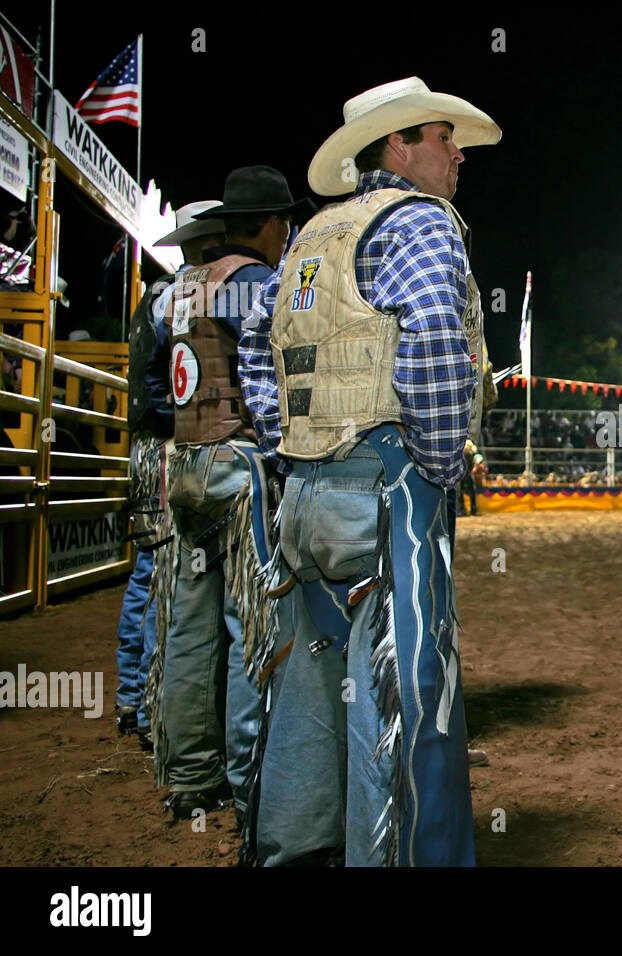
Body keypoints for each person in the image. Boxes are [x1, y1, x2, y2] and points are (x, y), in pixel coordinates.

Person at [239, 77, 500, 867]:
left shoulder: (314, 236)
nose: (456, 151)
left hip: (306, 494)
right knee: (412, 691)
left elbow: (258, 343)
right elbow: (431, 336)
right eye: (441, 136)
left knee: (307, 691)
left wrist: (291, 439)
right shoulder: (421, 224)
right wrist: (438, 458)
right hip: (388, 482)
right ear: (398, 146)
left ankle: (293, 849)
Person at [153, 167, 312, 824]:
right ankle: (253, 784)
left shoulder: (179, 288)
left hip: (182, 459)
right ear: (271, 224)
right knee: (254, 623)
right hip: (236, 459)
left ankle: (189, 772)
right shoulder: (255, 285)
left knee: (188, 625)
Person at [116, 201, 224, 753]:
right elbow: (167, 389)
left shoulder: (161, 297)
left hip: (151, 445)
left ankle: (137, 697)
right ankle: (146, 699)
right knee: (164, 570)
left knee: (153, 568)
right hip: (167, 445)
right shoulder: (189, 297)